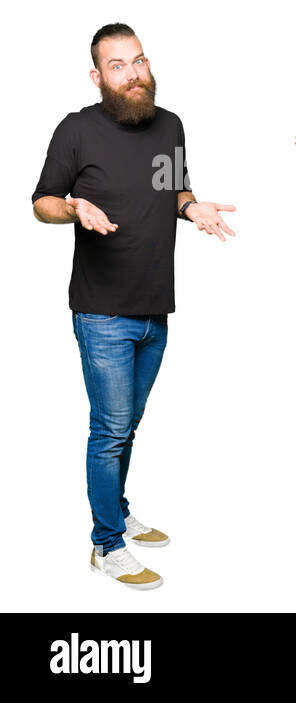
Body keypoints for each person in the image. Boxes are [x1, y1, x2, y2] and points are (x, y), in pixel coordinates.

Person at [32, 23, 239, 590]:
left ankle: (117, 512)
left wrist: (192, 208)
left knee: (127, 425)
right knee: (110, 430)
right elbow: (42, 201)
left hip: (155, 310)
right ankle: (106, 544)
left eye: (139, 61)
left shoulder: (169, 125)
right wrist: (74, 208)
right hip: (101, 312)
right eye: (118, 65)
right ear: (98, 76)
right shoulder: (76, 130)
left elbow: (173, 190)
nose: (133, 74)